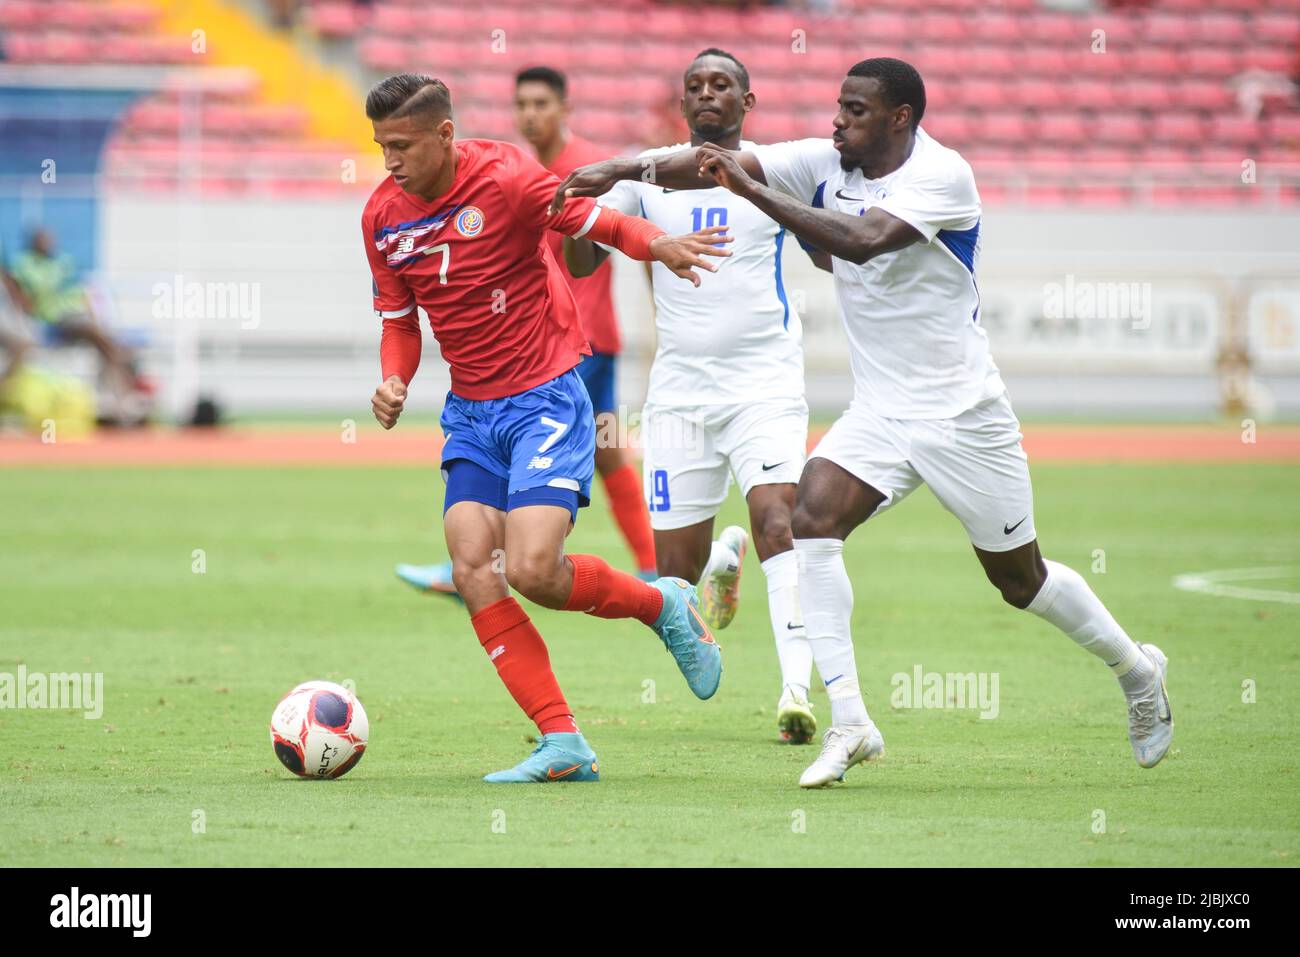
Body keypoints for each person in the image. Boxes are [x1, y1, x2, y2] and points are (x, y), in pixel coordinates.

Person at [552, 57, 1173, 788]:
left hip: (962, 413)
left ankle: (1135, 668)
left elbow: (862, 240)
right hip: (878, 412)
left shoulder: (942, 176)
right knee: (809, 520)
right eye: (838, 106)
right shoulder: (824, 158)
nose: (837, 120)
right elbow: (711, 162)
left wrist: (751, 189)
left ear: (900, 118)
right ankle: (849, 719)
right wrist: (613, 171)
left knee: (1018, 578)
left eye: (854, 110)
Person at [363, 74, 732, 783]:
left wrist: (660, 245)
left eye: (402, 145)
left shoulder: (506, 177)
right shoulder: (381, 216)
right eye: (381, 146)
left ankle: (662, 603)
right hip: (470, 413)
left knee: (533, 570)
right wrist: (395, 378)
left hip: (543, 398)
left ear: (445, 135)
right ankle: (563, 740)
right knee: (473, 564)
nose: (390, 161)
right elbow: (399, 321)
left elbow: (600, 223)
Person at [565, 49, 825, 745]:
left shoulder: (772, 169)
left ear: (748, 101)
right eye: (695, 87)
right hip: (679, 390)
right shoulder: (648, 175)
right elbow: (581, 257)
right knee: (674, 583)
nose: (707, 94)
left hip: (764, 381)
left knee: (781, 520)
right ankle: (718, 562)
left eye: (722, 85)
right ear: (682, 105)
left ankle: (795, 691)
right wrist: (577, 215)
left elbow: (828, 249)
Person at [394, 65, 657, 597]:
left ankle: (484, 562)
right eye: (522, 105)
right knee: (607, 451)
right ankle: (655, 568)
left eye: (541, 104)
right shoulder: (513, 168)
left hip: (567, 342)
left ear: (565, 109)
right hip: (554, 339)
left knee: (542, 451)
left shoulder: (583, 168)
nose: (529, 114)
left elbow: (610, 234)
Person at [7, 229, 151, 423]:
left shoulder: (63, 263)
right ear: (33, 242)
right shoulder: (24, 264)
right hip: (54, 319)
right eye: (43, 239)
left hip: (77, 317)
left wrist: (91, 313)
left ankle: (119, 399)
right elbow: (19, 294)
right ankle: (127, 380)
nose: (48, 242)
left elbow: (82, 292)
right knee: (103, 340)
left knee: (102, 342)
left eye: (50, 238)